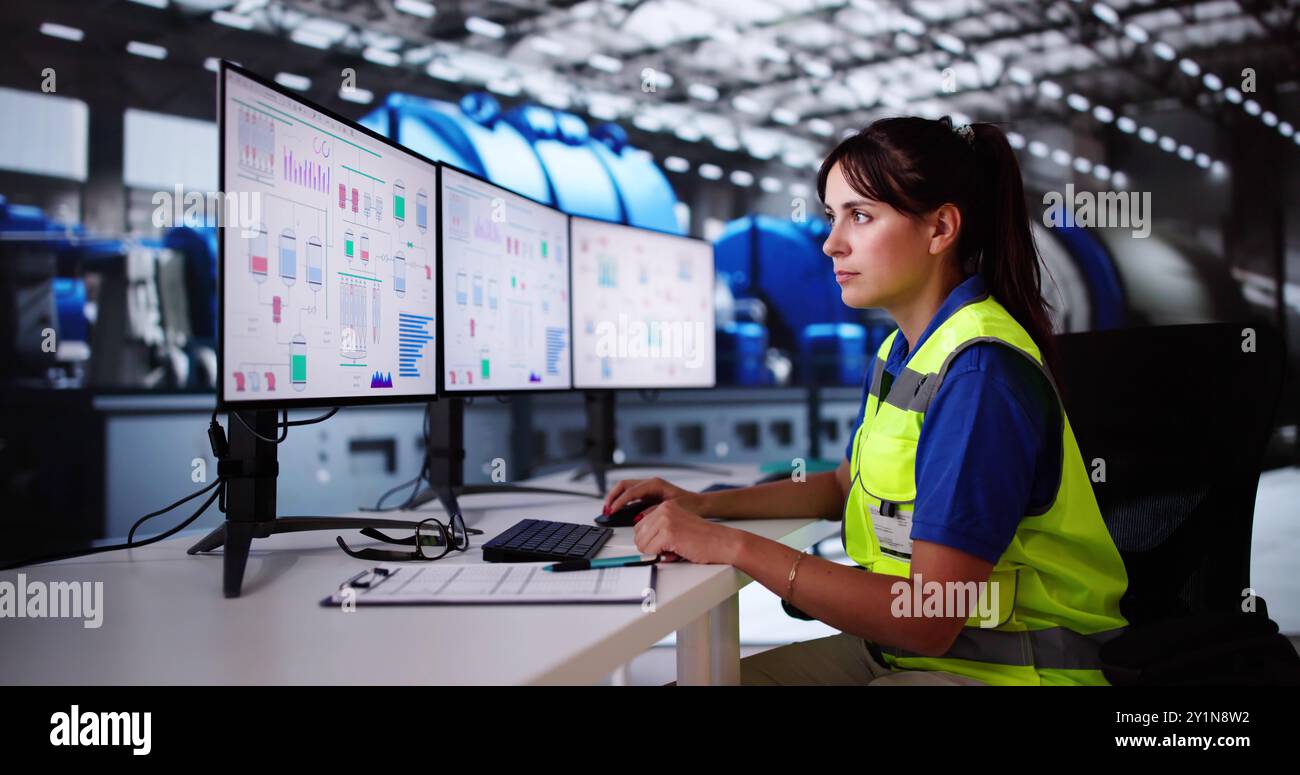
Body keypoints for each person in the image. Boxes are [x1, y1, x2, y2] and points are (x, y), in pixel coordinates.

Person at [604, 116, 1129, 686]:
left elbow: (932, 616)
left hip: (1005, 672)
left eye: (860, 215)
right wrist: (705, 506)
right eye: (833, 217)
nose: (831, 242)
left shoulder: (978, 375)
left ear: (940, 228)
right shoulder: (902, 352)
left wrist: (733, 546)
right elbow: (840, 486)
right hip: (907, 655)